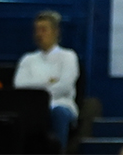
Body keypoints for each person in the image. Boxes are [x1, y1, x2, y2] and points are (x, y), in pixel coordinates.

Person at [13, 10, 80, 151]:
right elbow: (19, 86)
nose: (39, 34)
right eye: (37, 30)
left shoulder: (68, 56)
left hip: (60, 105)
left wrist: (37, 87)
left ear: (56, 32)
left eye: (44, 30)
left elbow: (65, 87)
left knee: (58, 114)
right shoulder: (27, 59)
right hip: (32, 108)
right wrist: (49, 82)